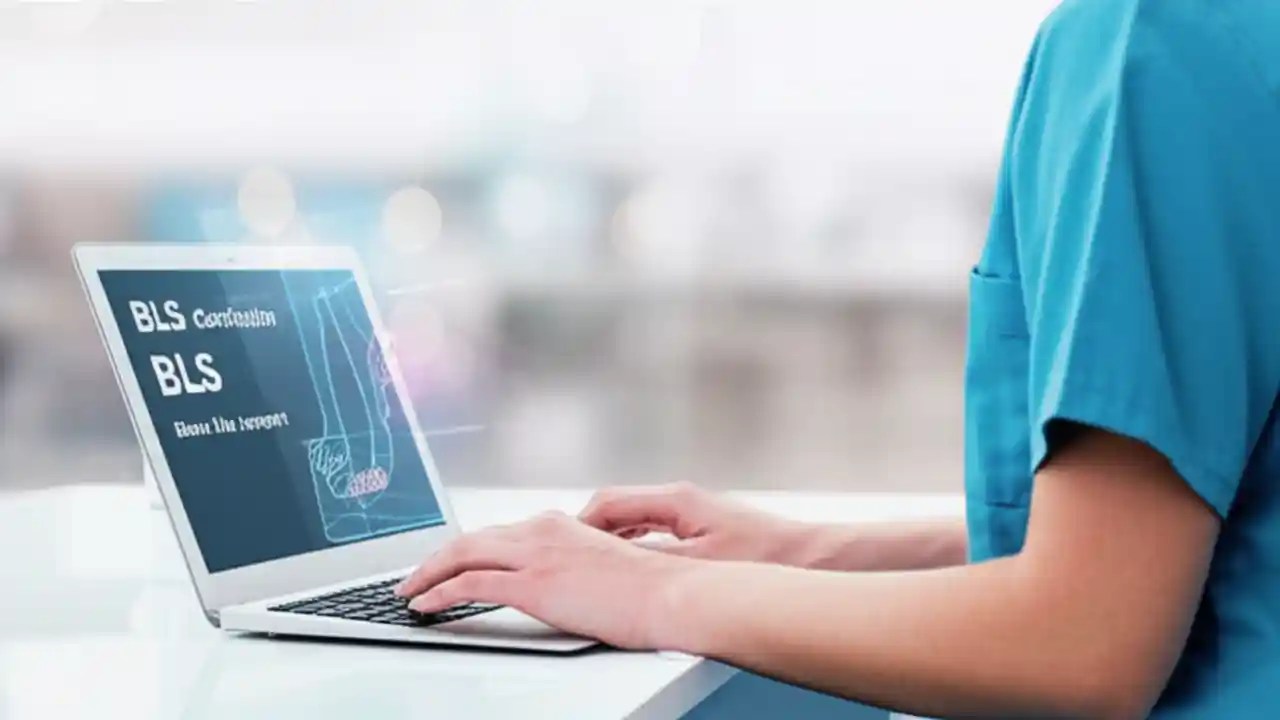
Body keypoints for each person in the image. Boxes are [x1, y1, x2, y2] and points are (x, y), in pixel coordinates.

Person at [397, 0, 1280, 716]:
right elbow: (1183, 535)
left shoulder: (1148, 45)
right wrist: (806, 550)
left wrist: (645, 594)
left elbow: (1082, 640)